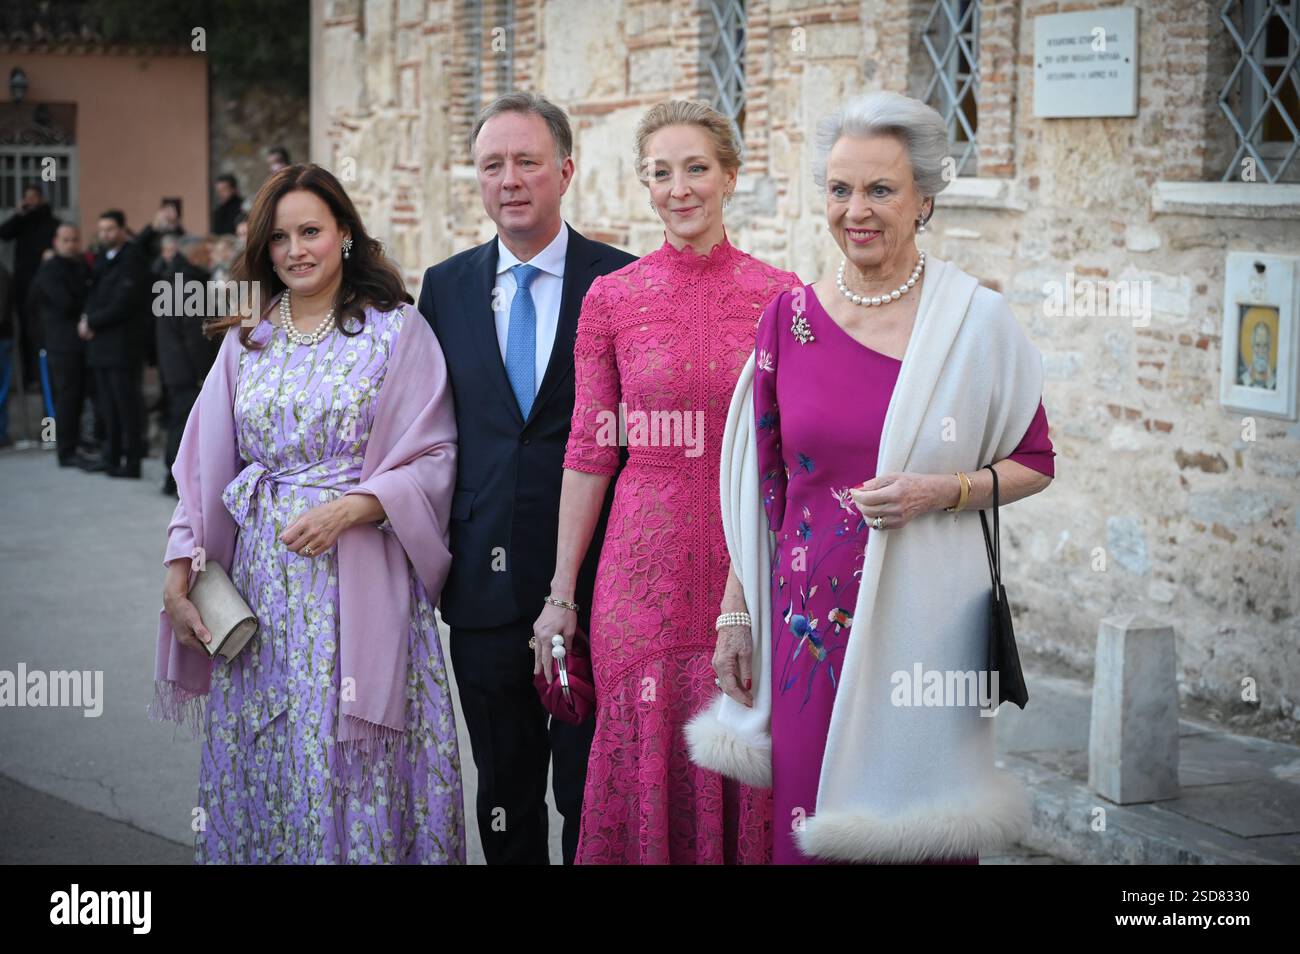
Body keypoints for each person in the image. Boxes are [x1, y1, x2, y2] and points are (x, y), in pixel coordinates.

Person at [689, 91, 1055, 864]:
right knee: (811, 829)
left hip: (927, 632)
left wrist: (941, 491)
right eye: (840, 188)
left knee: (918, 827)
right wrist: (736, 612)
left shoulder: (974, 323)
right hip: (806, 633)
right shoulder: (787, 320)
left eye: (881, 189)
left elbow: (1035, 463)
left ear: (924, 200)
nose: (857, 209)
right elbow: (767, 486)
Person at [152, 163, 464, 864]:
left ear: (345, 234)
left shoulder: (396, 332)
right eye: (281, 238)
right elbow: (201, 470)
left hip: (358, 587)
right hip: (260, 593)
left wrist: (359, 505)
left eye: (312, 231)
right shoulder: (246, 340)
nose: (296, 249)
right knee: (268, 755)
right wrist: (180, 571)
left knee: (347, 760)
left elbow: (438, 452)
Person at [532, 100, 798, 864]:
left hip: (748, 564)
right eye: (660, 173)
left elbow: (788, 454)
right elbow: (589, 451)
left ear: (730, 177)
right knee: (643, 747)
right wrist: (561, 596)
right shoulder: (611, 300)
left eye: (696, 169)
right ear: (644, 186)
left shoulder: (785, 300)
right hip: (639, 576)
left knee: (744, 747)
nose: (679, 188)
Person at [417, 92, 635, 865]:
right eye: (492, 165)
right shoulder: (444, 287)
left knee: (590, 789)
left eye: (527, 162)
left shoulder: (622, 282)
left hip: (601, 583)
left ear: (566, 171)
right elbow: (425, 426)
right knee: (505, 790)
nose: (509, 179)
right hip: (482, 581)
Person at [82, 210, 151, 478]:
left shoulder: (133, 259)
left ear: (123, 229)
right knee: (106, 406)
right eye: (101, 230)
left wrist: (92, 322)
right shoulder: (101, 259)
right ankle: (110, 456)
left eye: (110, 229)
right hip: (100, 345)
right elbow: (93, 292)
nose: (105, 234)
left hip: (123, 346)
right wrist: (87, 319)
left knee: (126, 405)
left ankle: (131, 462)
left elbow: (124, 302)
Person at [155, 234, 219, 496]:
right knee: (184, 428)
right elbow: (196, 337)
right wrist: (204, 373)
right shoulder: (189, 284)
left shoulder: (173, 279)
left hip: (174, 367)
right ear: (194, 256)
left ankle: (172, 480)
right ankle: (177, 482)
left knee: (178, 424)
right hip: (188, 372)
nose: (211, 257)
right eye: (206, 253)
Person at [26, 223, 92, 465]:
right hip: (61, 344)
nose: (71, 244)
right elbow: (65, 303)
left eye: (75, 239)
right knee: (67, 397)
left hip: (79, 343)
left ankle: (76, 441)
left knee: (78, 396)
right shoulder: (50, 270)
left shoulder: (80, 266)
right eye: (66, 240)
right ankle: (66, 450)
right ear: (56, 242)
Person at [0, 184, 61, 387]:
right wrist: (18, 214)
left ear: (42, 199)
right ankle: (28, 377)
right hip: (24, 285)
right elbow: (4, 232)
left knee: (45, 329)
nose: (30, 201)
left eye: (33, 197)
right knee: (25, 331)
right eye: (27, 197)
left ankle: (43, 376)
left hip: (48, 285)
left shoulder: (52, 223)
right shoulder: (22, 222)